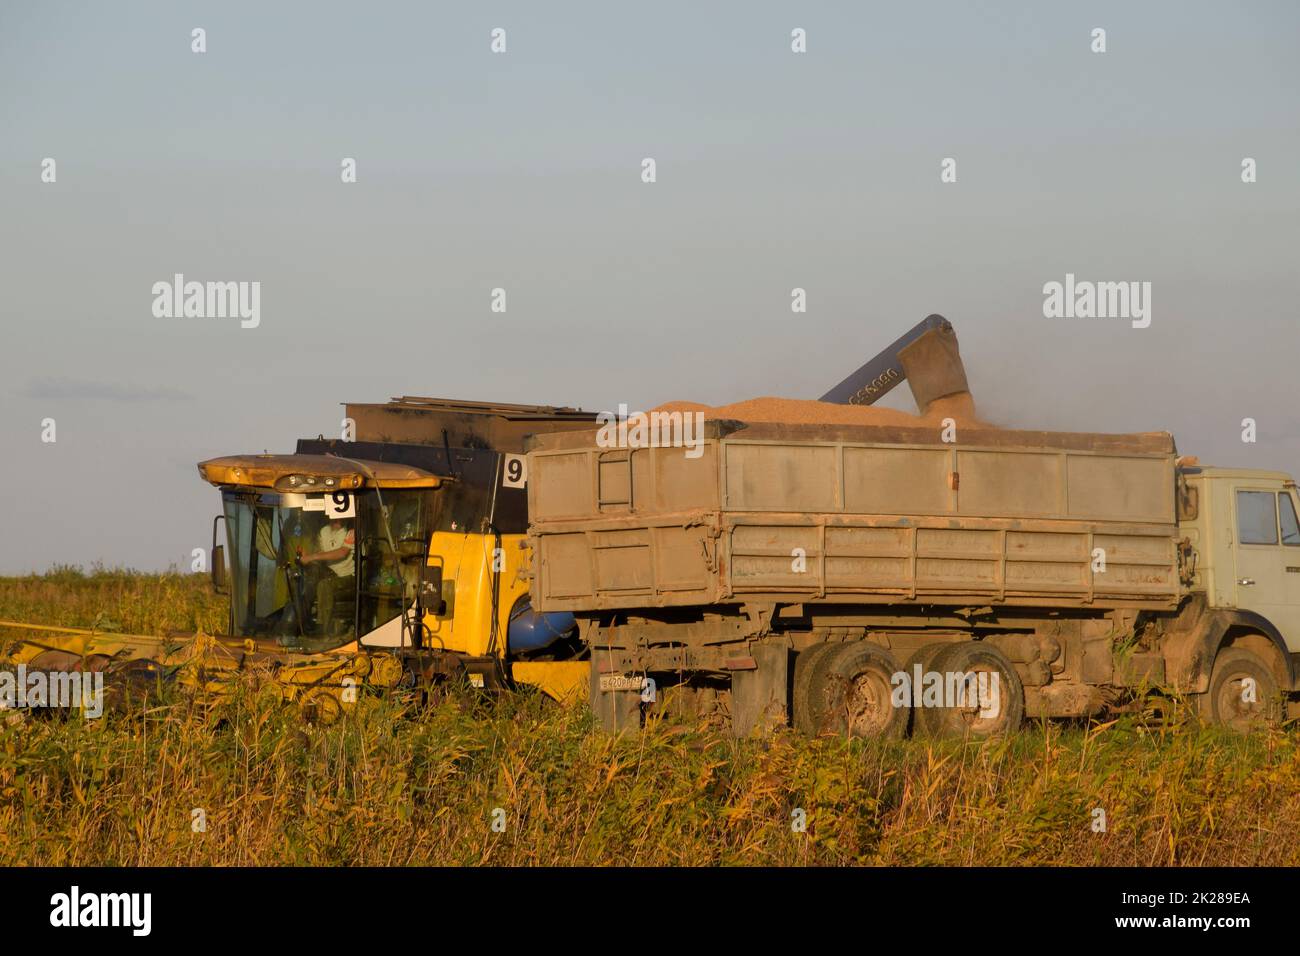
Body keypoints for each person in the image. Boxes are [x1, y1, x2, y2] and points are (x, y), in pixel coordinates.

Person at [297, 517, 356, 635]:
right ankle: (301, 622)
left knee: (325, 585)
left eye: (340, 518)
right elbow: (321, 554)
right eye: (335, 518)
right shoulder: (324, 531)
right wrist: (307, 556)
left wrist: (311, 557)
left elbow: (342, 552)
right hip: (330, 573)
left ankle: (322, 629)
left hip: (348, 577)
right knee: (306, 579)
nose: (337, 521)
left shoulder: (351, 532)